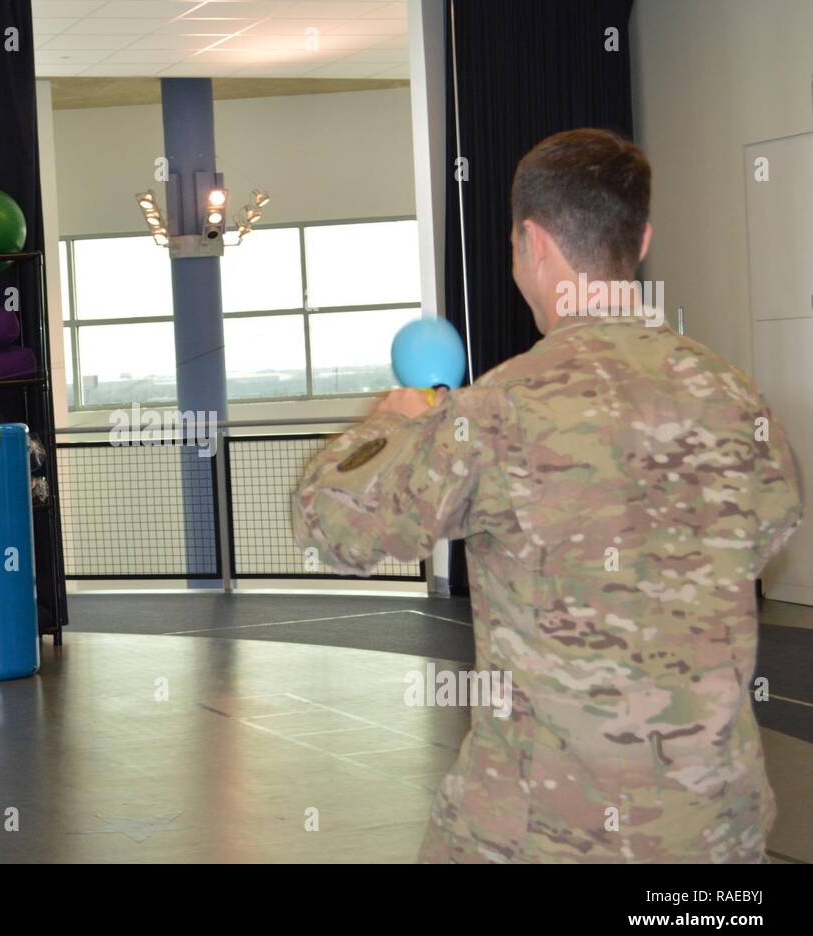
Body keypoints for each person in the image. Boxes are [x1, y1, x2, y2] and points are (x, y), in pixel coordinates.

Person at [293, 129, 803, 863]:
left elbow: (333, 527)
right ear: (643, 238)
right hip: (716, 834)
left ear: (533, 243)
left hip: (545, 835)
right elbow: (769, 527)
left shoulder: (497, 412)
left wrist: (388, 426)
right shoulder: (736, 397)